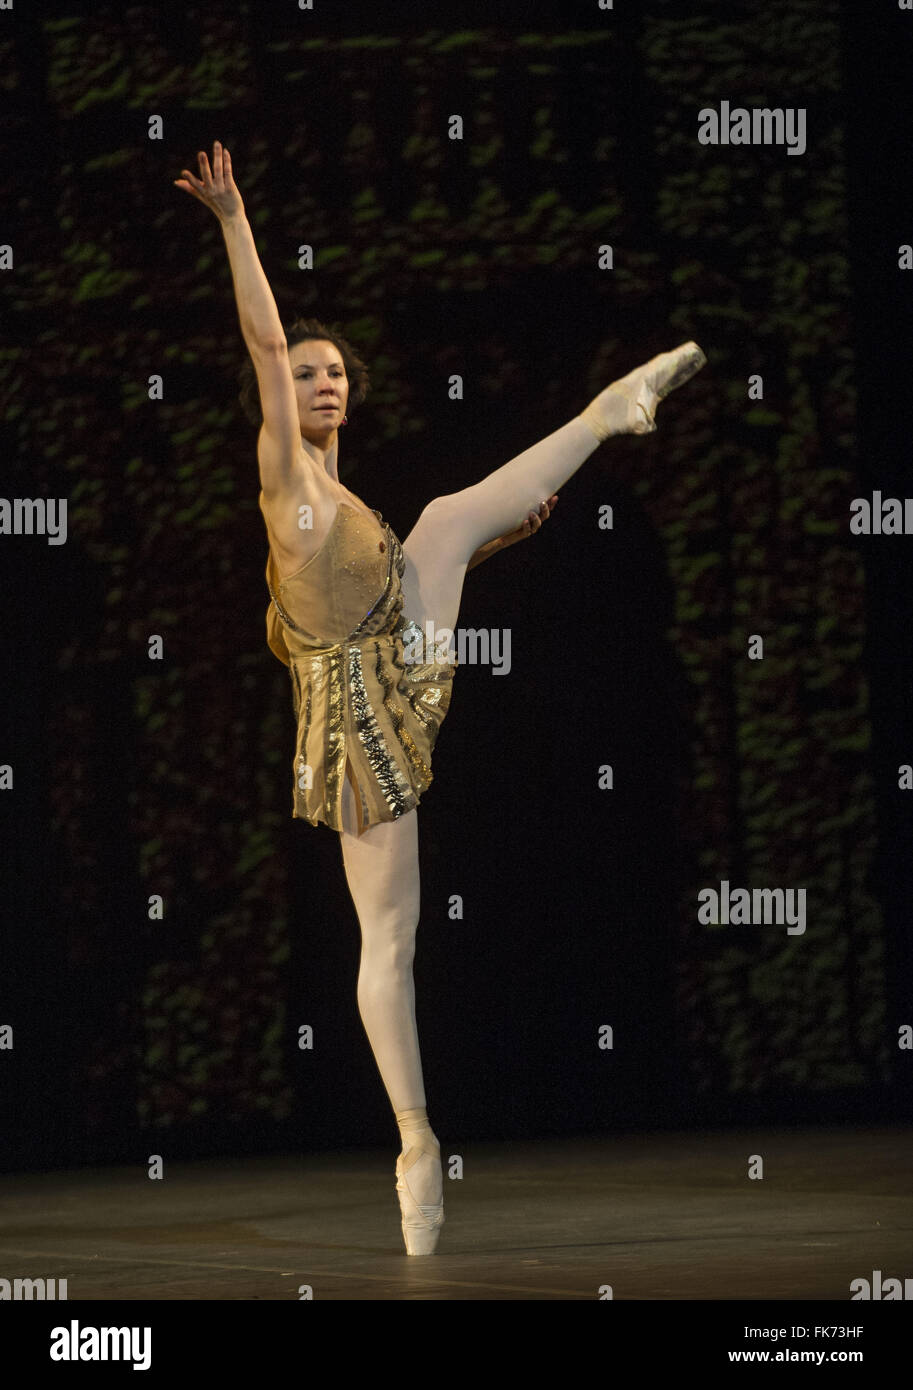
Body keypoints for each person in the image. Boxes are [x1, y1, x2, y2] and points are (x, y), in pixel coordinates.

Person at [175, 140, 706, 1255]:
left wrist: (497, 547)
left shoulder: (357, 504)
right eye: (308, 372)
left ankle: (610, 411)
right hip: (353, 716)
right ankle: (416, 1140)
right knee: (391, 939)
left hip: (395, 655)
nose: (322, 382)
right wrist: (232, 218)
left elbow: (408, 580)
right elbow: (263, 341)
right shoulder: (289, 478)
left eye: (335, 374)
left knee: (454, 517)